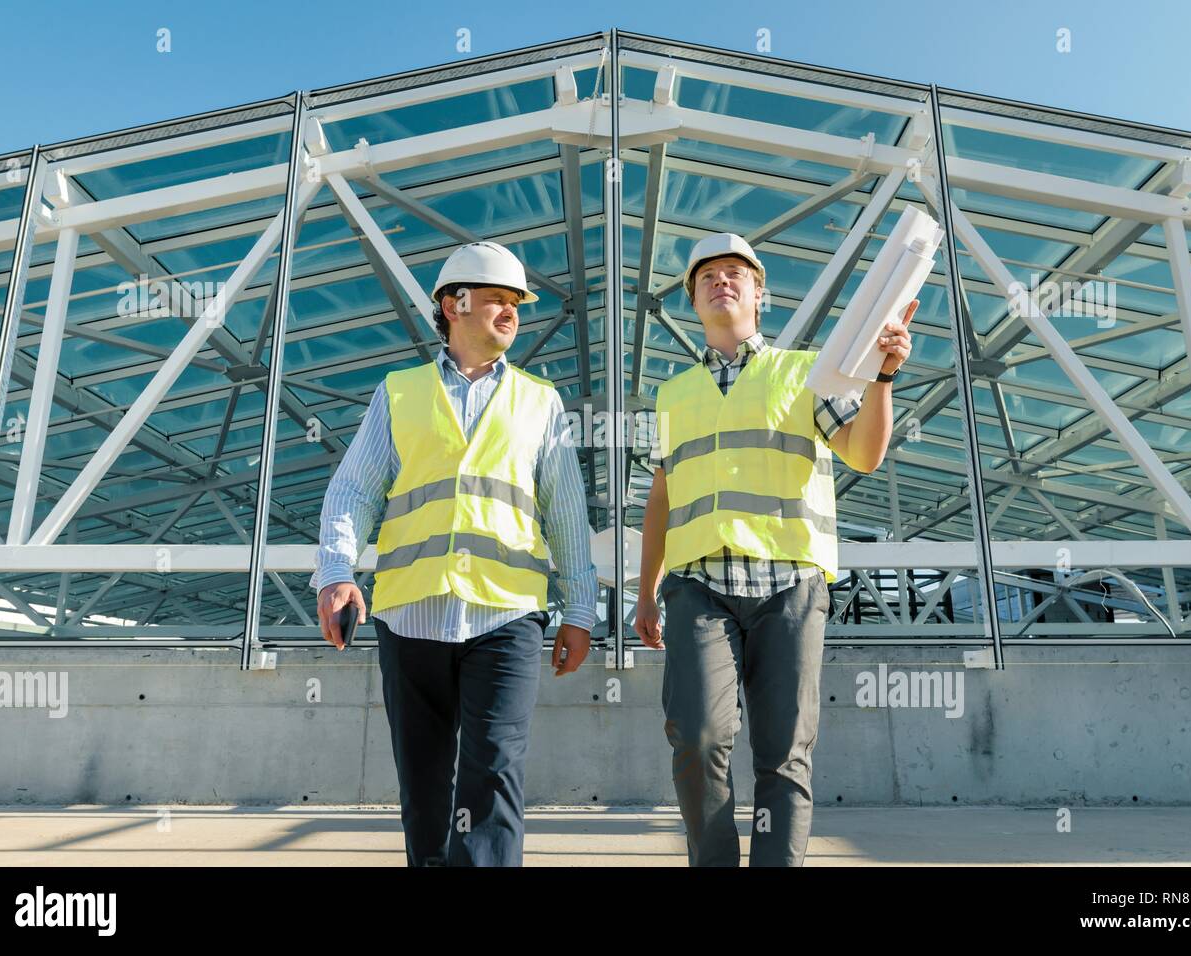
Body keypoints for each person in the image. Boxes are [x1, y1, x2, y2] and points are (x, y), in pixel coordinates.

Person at [633, 232, 915, 866]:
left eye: (736, 273)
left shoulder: (807, 372)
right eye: (708, 276)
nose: (721, 281)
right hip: (697, 586)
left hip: (790, 586)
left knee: (785, 750)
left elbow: (864, 453)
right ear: (693, 300)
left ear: (760, 294)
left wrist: (883, 378)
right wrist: (645, 592)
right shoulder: (672, 395)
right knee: (697, 736)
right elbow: (662, 500)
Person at [312, 240, 597, 866]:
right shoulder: (399, 392)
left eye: (516, 301)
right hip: (410, 614)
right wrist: (336, 572)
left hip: (507, 614)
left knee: (493, 773)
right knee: (424, 787)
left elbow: (565, 512)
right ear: (453, 304)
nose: (512, 311)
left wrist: (580, 609)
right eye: (497, 298)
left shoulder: (540, 400)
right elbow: (354, 490)